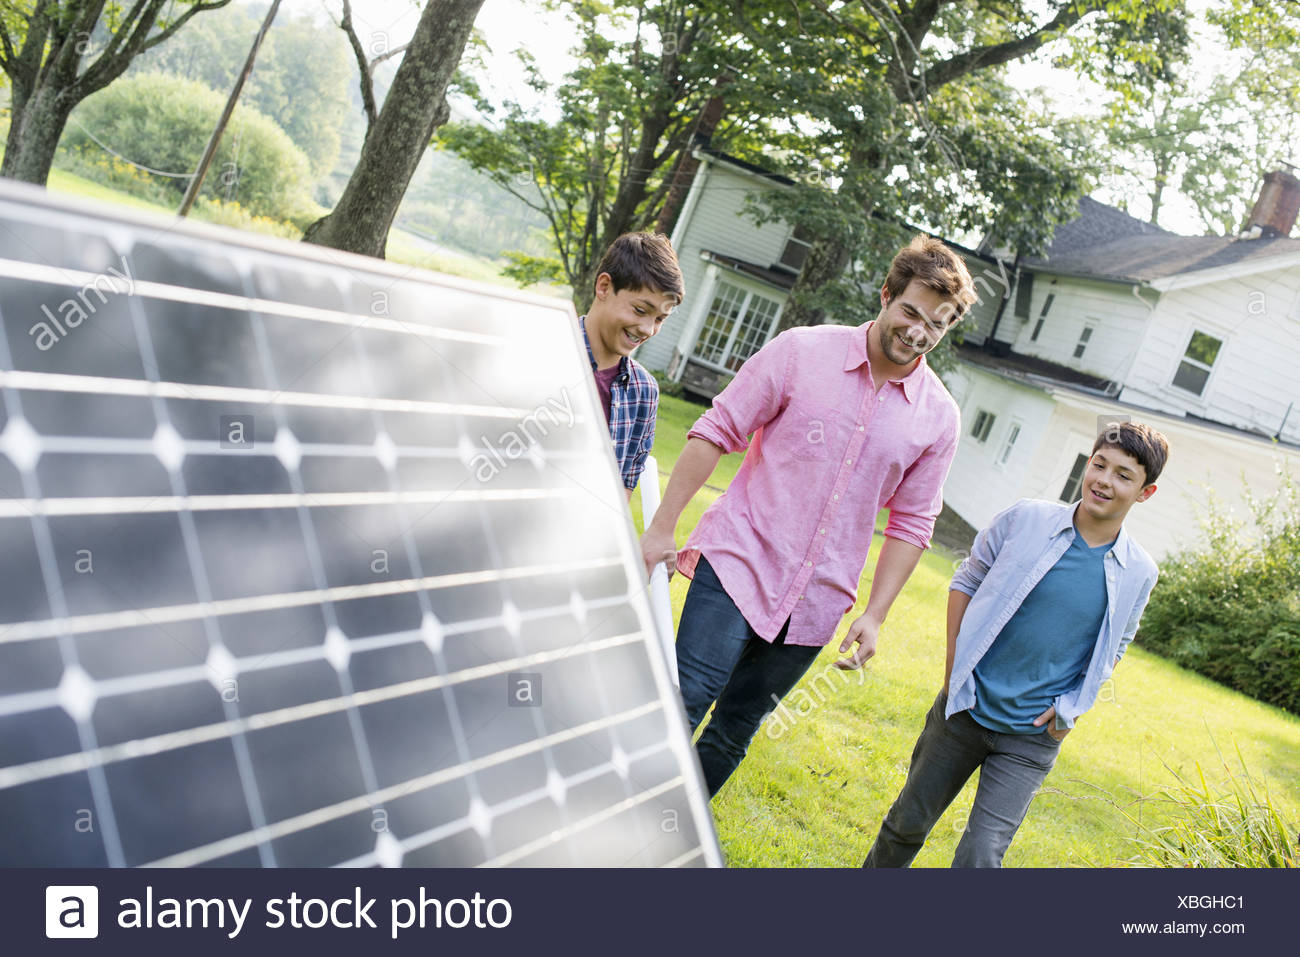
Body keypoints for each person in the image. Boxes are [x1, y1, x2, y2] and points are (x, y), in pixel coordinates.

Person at [639, 235, 977, 796]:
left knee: (734, 731)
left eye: (936, 325)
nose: (918, 332)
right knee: (686, 696)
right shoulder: (802, 351)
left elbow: (913, 523)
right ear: (887, 294)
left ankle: (669, 844)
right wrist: (662, 526)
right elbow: (717, 429)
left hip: (819, 597)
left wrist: (876, 613)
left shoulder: (938, 418)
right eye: (911, 311)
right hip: (739, 558)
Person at [861, 421, 1169, 868]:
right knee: (907, 823)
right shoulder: (1027, 519)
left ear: (1145, 493)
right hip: (964, 707)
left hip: (1033, 736)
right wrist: (953, 670)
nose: (1104, 480)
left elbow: (1114, 645)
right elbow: (967, 578)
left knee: (982, 855)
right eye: (1099, 465)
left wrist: (1072, 705)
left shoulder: (1139, 571)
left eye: (1124, 474)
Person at [579, 232, 683, 501]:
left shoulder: (644, 392)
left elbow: (623, 489)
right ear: (603, 287)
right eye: (640, 310)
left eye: (660, 318)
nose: (648, 329)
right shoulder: (545, 352)